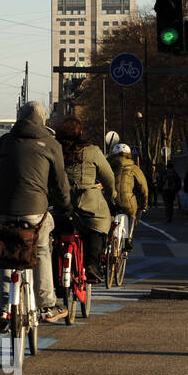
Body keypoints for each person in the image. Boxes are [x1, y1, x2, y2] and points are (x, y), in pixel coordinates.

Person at [0, 101, 73, 332]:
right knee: (41, 250)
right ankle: (47, 305)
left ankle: (2, 309)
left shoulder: (2, 143)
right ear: (42, 120)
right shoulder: (51, 144)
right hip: (36, 213)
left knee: (5, 256)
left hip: (3, 212)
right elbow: (60, 184)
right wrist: (65, 209)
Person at [54, 117, 114, 283]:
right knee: (99, 223)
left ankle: (54, 271)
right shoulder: (92, 151)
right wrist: (111, 195)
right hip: (88, 201)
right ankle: (92, 265)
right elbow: (108, 177)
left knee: (55, 232)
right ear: (81, 132)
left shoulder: (55, 149)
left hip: (61, 202)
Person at [109, 143, 148, 247]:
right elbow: (143, 188)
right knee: (131, 214)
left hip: (110, 201)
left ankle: (107, 242)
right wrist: (143, 206)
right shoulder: (134, 168)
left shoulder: (108, 167)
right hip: (128, 203)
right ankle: (128, 239)